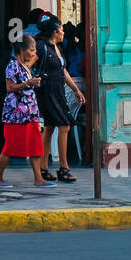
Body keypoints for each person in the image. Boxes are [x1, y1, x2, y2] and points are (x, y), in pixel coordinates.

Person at [0, 35, 55, 190]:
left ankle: (38, 178)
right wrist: (28, 83)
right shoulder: (13, 65)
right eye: (31, 50)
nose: (34, 53)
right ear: (22, 50)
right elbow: (10, 87)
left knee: (35, 145)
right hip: (16, 114)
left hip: (30, 112)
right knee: (10, 146)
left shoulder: (25, 65)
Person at [34, 15, 85, 183]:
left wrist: (76, 90)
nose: (63, 32)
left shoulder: (57, 47)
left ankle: (43, 168)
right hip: (47, 92)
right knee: (65, 125)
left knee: (49, 128)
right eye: (61, 29)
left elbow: (63, 71)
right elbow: (27, 64)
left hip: (58, 91)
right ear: (54, 32)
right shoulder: (41, 47)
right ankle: (64, 168)